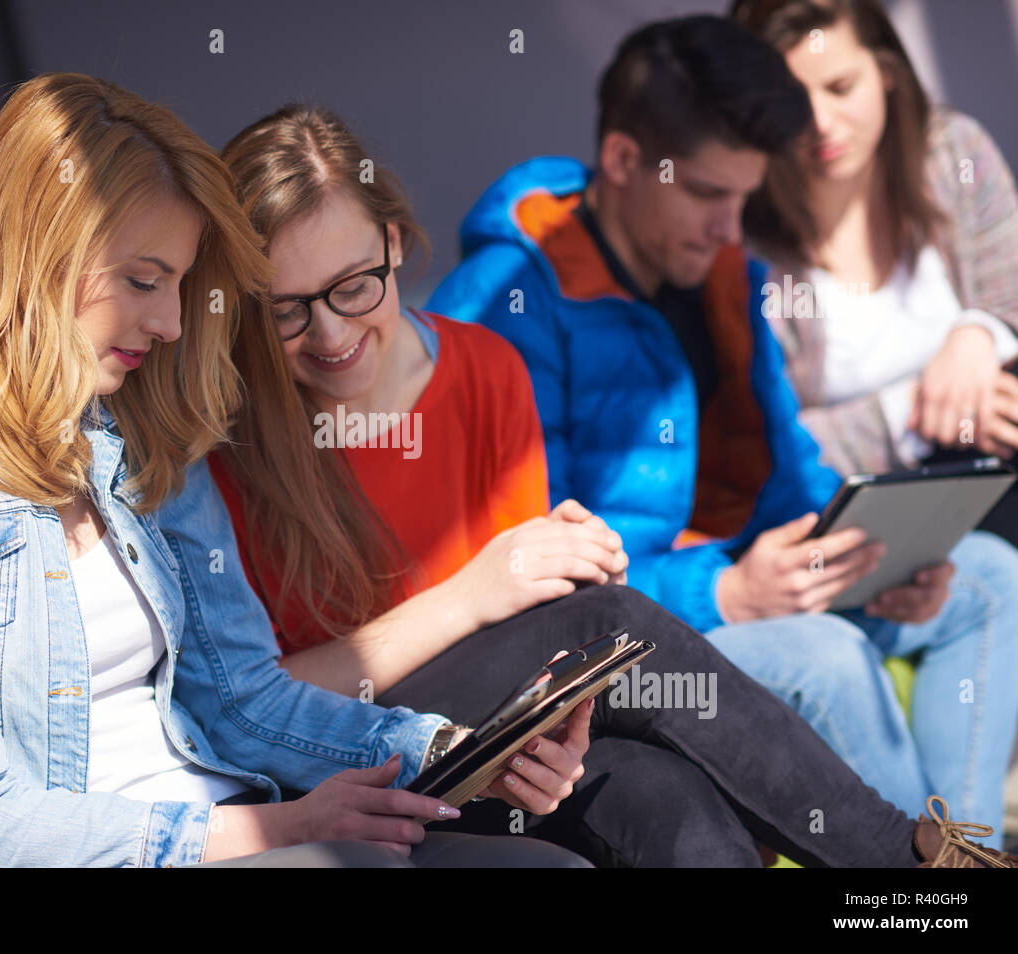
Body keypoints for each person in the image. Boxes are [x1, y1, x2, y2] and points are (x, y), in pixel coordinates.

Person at [0, 72, 593, 869]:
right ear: (37, 253)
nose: (170, 322)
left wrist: (460, 750)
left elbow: (246, 702)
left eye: (178, 287)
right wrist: (275, 830)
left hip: (253, 821)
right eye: (143, 280)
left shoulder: (133, 428)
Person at [207, 101, 1014, 866]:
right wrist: (479, 592)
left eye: (355, 285)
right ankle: (907, 865)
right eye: (285, 310)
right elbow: (244, 705)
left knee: (673, 804)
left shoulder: (483, 369)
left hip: (475, 744)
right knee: (611, 619)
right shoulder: (219, 437)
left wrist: (559, 727)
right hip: (327, 760)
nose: (333, 332)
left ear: (392, 243)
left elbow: (533, 640)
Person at [426, 15, 1018, 842]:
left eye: (743, 197)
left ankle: (969, 854)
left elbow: (788, 466)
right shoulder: (510, 305)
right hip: (619, 641)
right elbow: (521, 571)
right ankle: (923, 885)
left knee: (988, 575)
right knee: (828, 659)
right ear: (627, 160)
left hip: (738, 580)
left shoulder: (721, 274)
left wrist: (861, 553)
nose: (732, 226)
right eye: (708, 194)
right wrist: (725, 593)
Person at [731, 0, 1018, 551]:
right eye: (792, 101)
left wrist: (978, 332)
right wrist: (916, 411)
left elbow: (1007, 285)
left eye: (841, 87)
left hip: (992, 463)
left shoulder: (952, 150)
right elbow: (759, 451)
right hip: (853, 515)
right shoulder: (742, 241)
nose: (819, 122)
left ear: (887, 71)